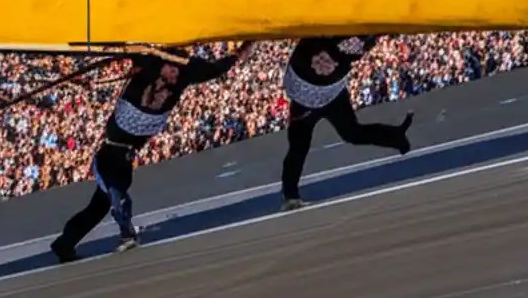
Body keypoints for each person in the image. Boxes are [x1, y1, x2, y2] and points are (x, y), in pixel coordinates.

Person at [50, 42, 253, 263]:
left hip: (124, 150)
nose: (173, 74)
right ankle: (122, 231)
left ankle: (65, 242)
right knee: (114, 194)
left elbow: (215, 69)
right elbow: (216, 68)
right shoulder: (167, 64)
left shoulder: (171, 65)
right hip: (118, 147)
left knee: (101, 203)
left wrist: (239, 51)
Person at [280, 36, 414, 211]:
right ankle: (290, 195)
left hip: (330, 93)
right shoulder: (325, 33)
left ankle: (395, 136)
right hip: (306, 96)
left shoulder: (359, 37)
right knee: (299, 146)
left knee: (351, 133)